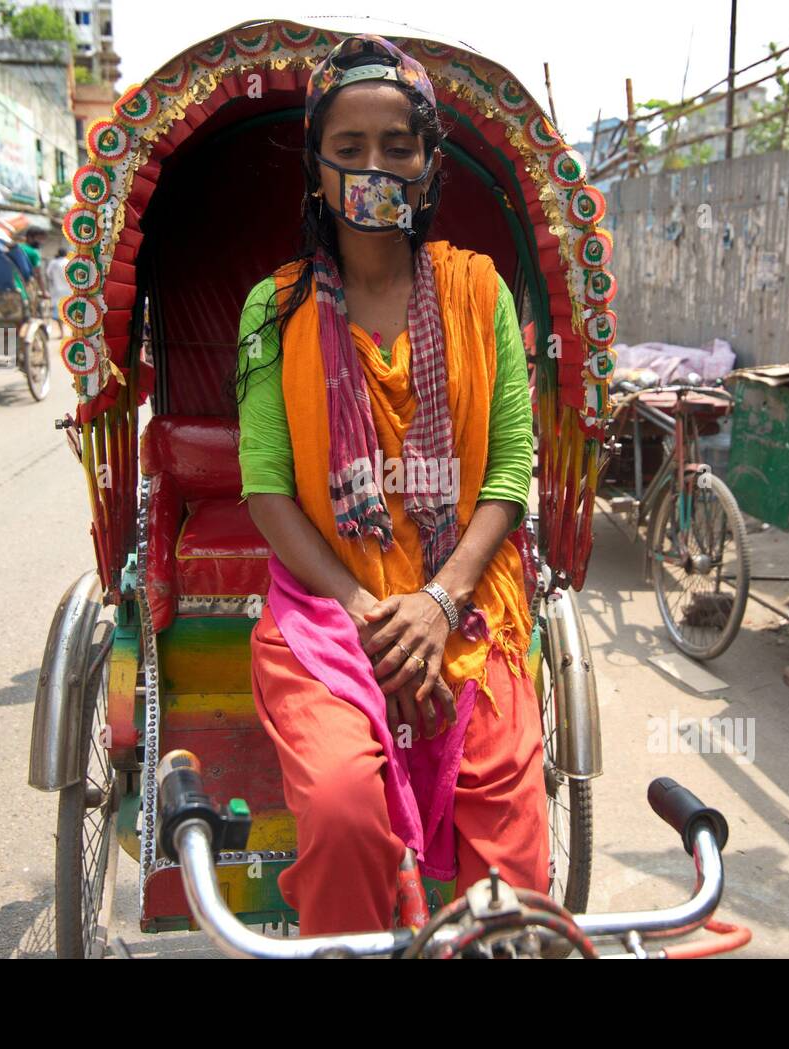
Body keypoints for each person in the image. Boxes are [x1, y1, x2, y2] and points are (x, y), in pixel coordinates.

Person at [234, 35, 546, 936]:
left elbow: (509, 473)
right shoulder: (273, 308)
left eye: (398, 147)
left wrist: (439, 602)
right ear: (318, 167)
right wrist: (371, 611)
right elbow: (267, 490)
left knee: (514, 836)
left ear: (428, 164)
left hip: (467, 606)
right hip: (331, 616)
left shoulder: (479, 293)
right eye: (351, 148)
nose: (375, 166)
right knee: (338, 811)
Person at [45, 248, 69, 334]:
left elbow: (48, 274)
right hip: (69, 291)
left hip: (56, 291)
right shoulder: (68, 262)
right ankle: (72, 333)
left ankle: (62, 332)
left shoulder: (53, 263)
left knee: (59, 313)